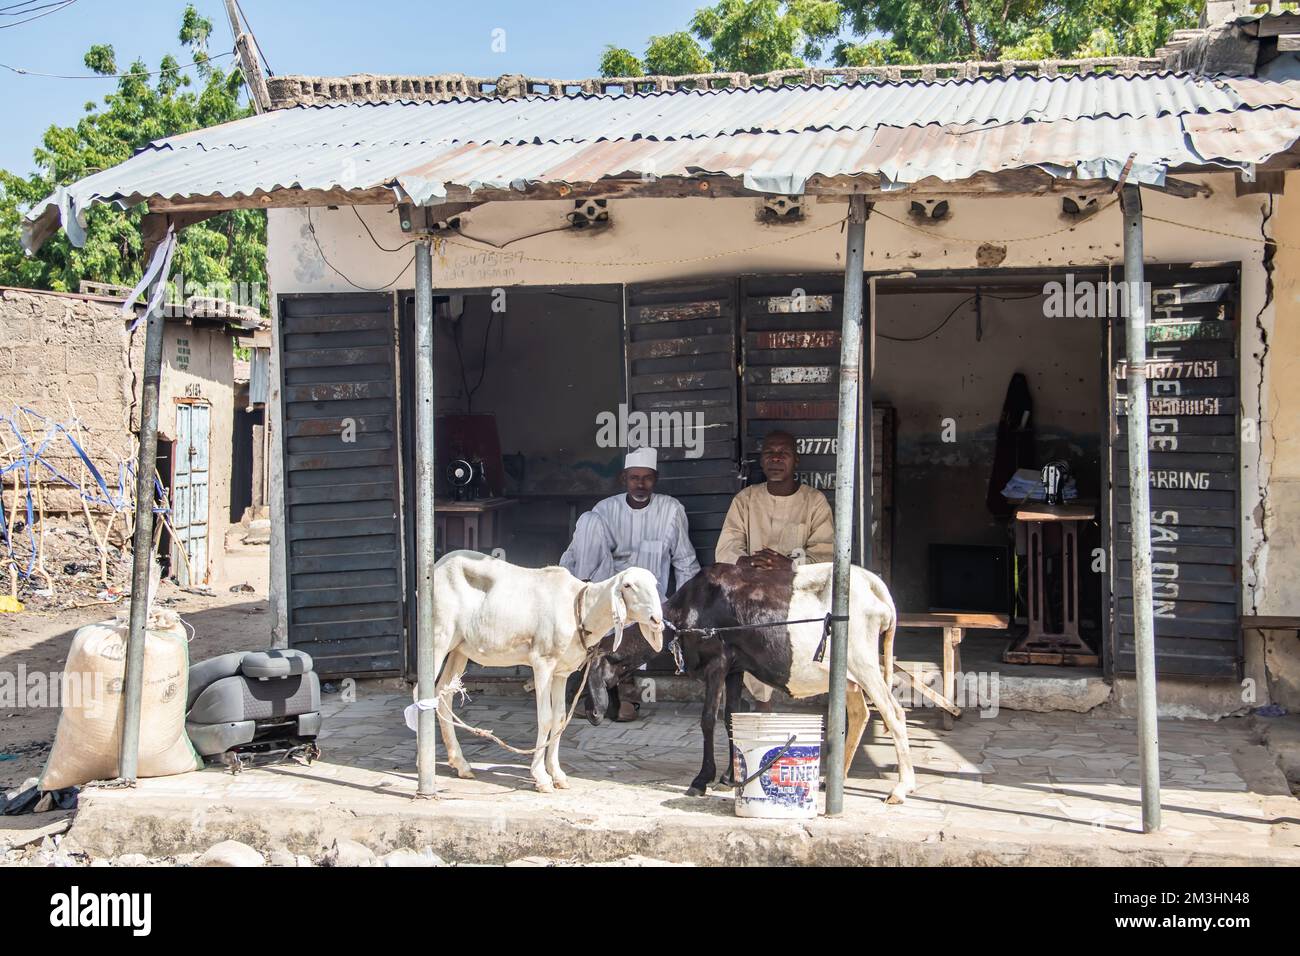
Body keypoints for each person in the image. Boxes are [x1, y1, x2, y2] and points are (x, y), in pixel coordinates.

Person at [560, 447, 700, 720]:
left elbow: (685, 561)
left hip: (649, 598)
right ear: (624, 478)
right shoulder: (604, 510)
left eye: (646, 478)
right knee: (588, 523)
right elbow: (578, 555)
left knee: (640, 619)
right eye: (634, 477)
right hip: (607, 589)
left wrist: (687, 611)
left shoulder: (670, 510)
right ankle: (592, 687)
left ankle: (620, 690)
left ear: (655, 479)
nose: (640, 483)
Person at [715, 430, 834, 569]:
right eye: (769, 452)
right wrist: (749, 562)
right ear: (761, 461)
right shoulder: (745, 499)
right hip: (752, 583)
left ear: (796, 460)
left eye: (784, 453)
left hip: (797, 586)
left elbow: (825, 554)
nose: (776, 458)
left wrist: (791, 565)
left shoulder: (815, 501)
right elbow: (726, 548)